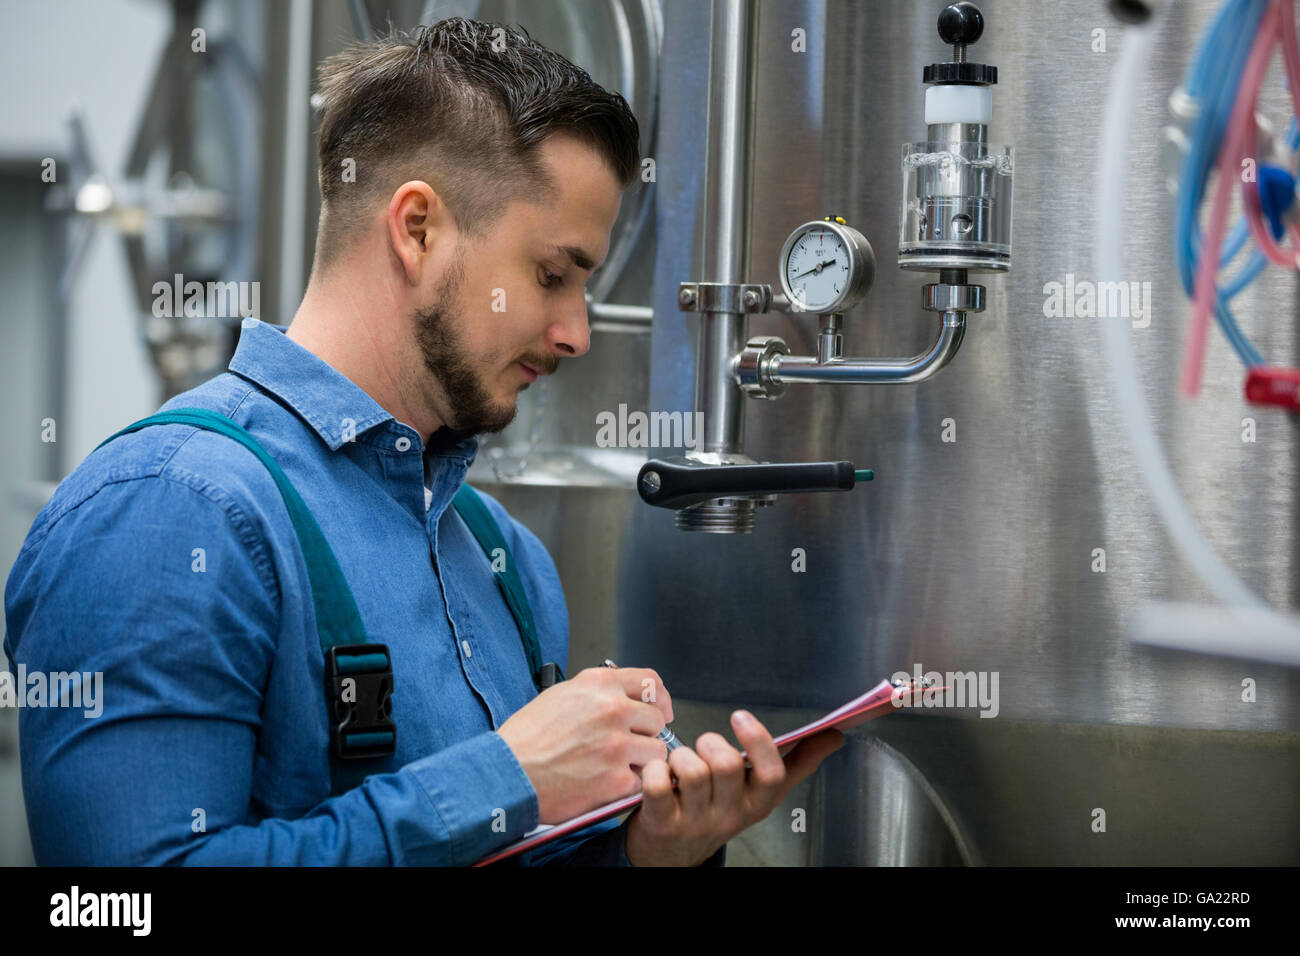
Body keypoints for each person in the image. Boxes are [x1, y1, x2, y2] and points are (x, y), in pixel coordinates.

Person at [3, 16, 843, 866]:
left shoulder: (502, 557)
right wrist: (508, 777)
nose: (577, 333)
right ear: (417, 229)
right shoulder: (168, 508)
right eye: (551, 276)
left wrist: (647, 852)